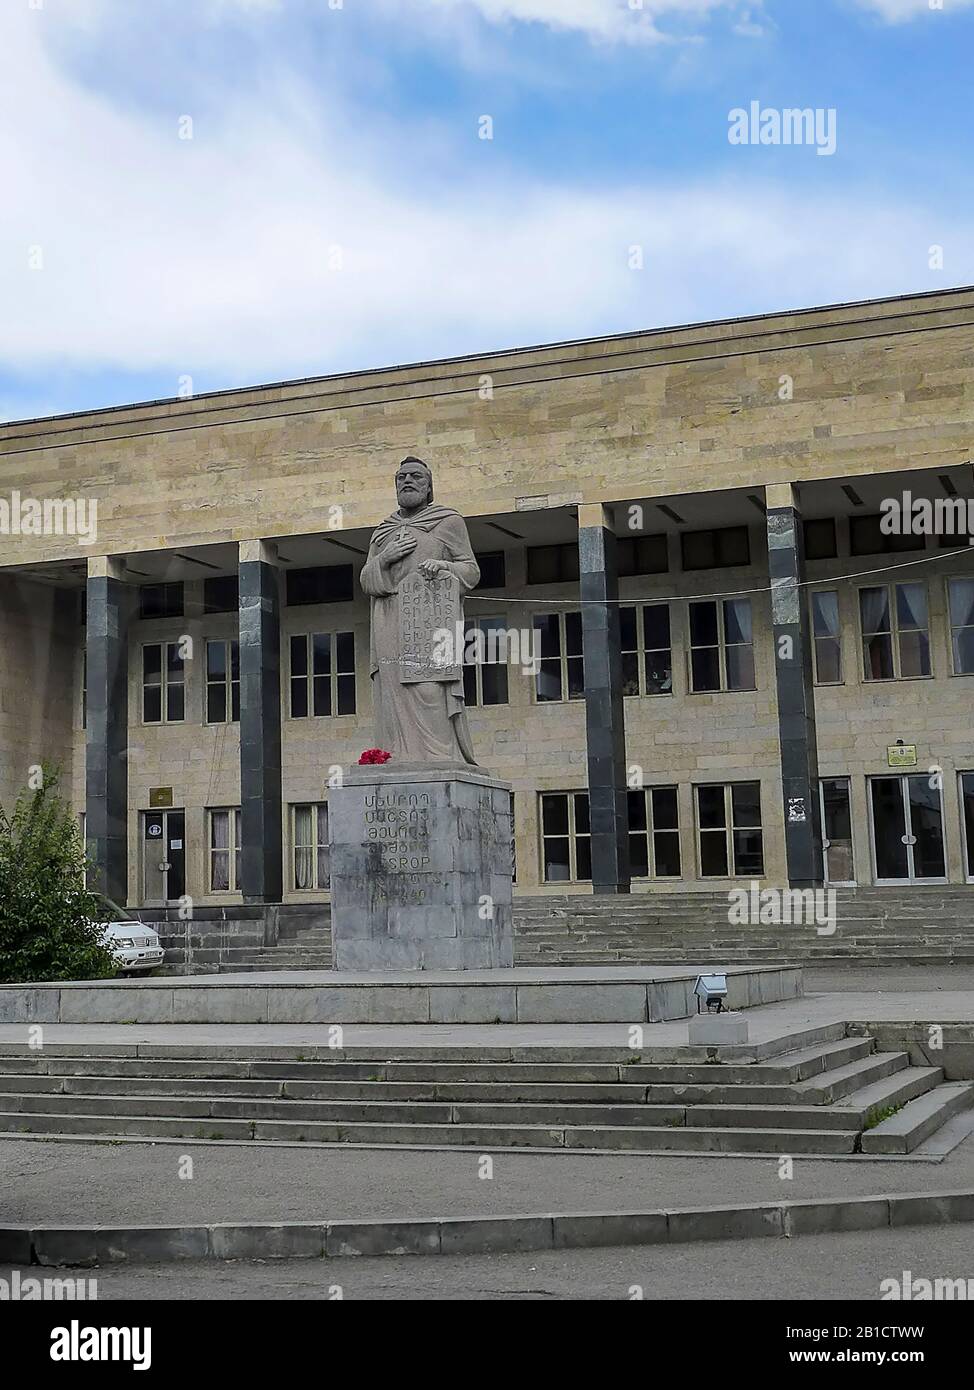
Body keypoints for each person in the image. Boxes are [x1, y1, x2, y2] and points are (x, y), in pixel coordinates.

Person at [360, 456, 479, 764]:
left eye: (415, 476)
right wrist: (385, 558)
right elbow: (367, 580)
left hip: (430, 619)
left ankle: (439, 756)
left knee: (430, 689)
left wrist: (443, 566)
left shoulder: (448, 521)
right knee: (392, 691)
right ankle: (396, 755)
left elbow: (471, 571)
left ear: (429, 487)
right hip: (389, 616)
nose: (407, 481)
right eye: (401, 478)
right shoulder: (383, 531)